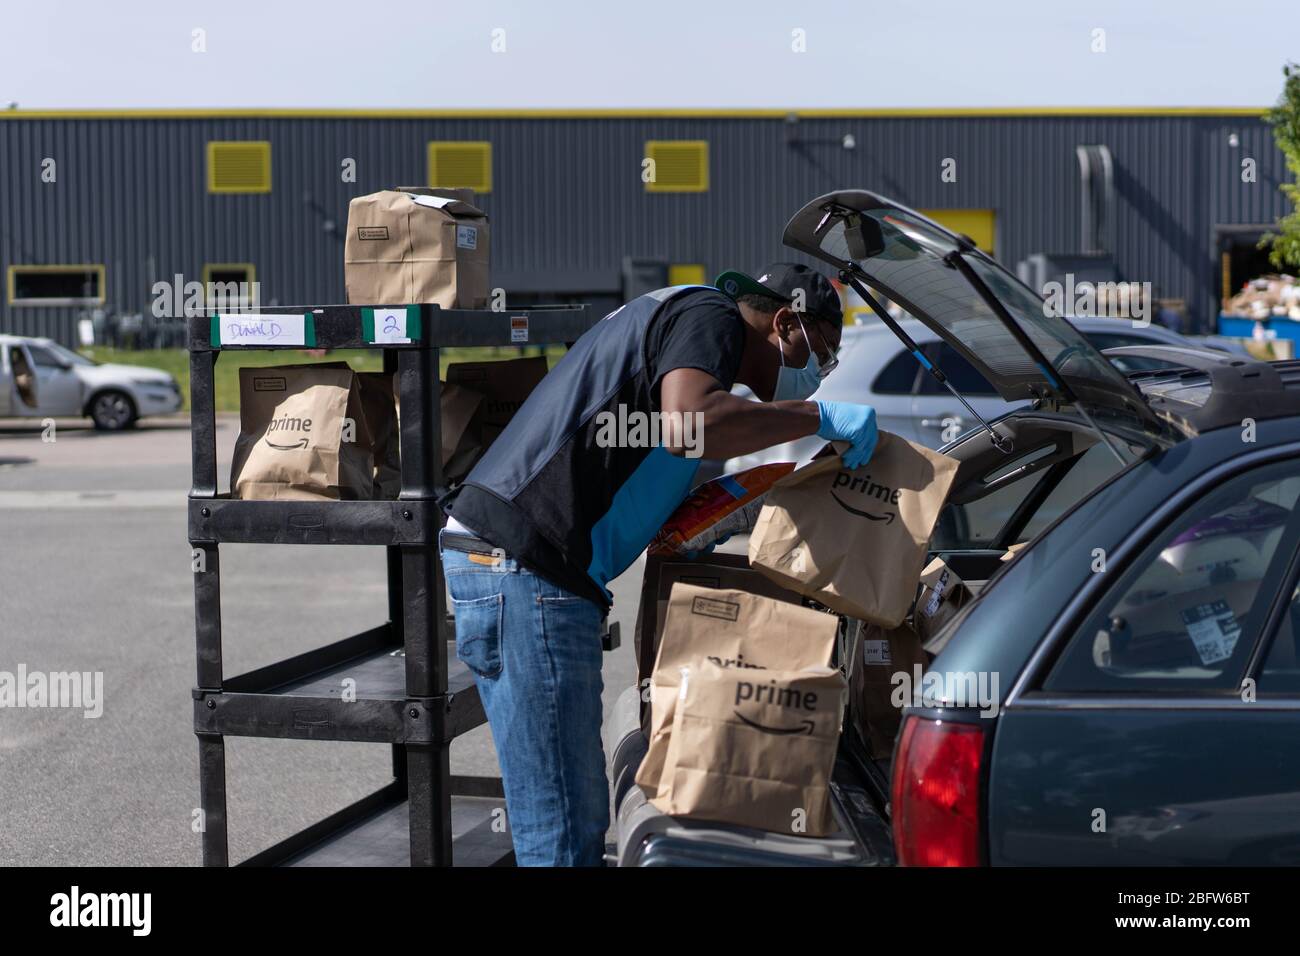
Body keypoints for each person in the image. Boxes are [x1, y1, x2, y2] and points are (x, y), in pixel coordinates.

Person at [438, 263, 878, 865]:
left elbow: (661, 451)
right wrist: (818, 420)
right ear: (784, 323)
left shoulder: (693, 351)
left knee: (570, 814)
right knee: (563, 829)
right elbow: (687, 423)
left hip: (522, 569)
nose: (817, 377)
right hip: (524, 570)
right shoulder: (710, 318)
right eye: (820, 354)